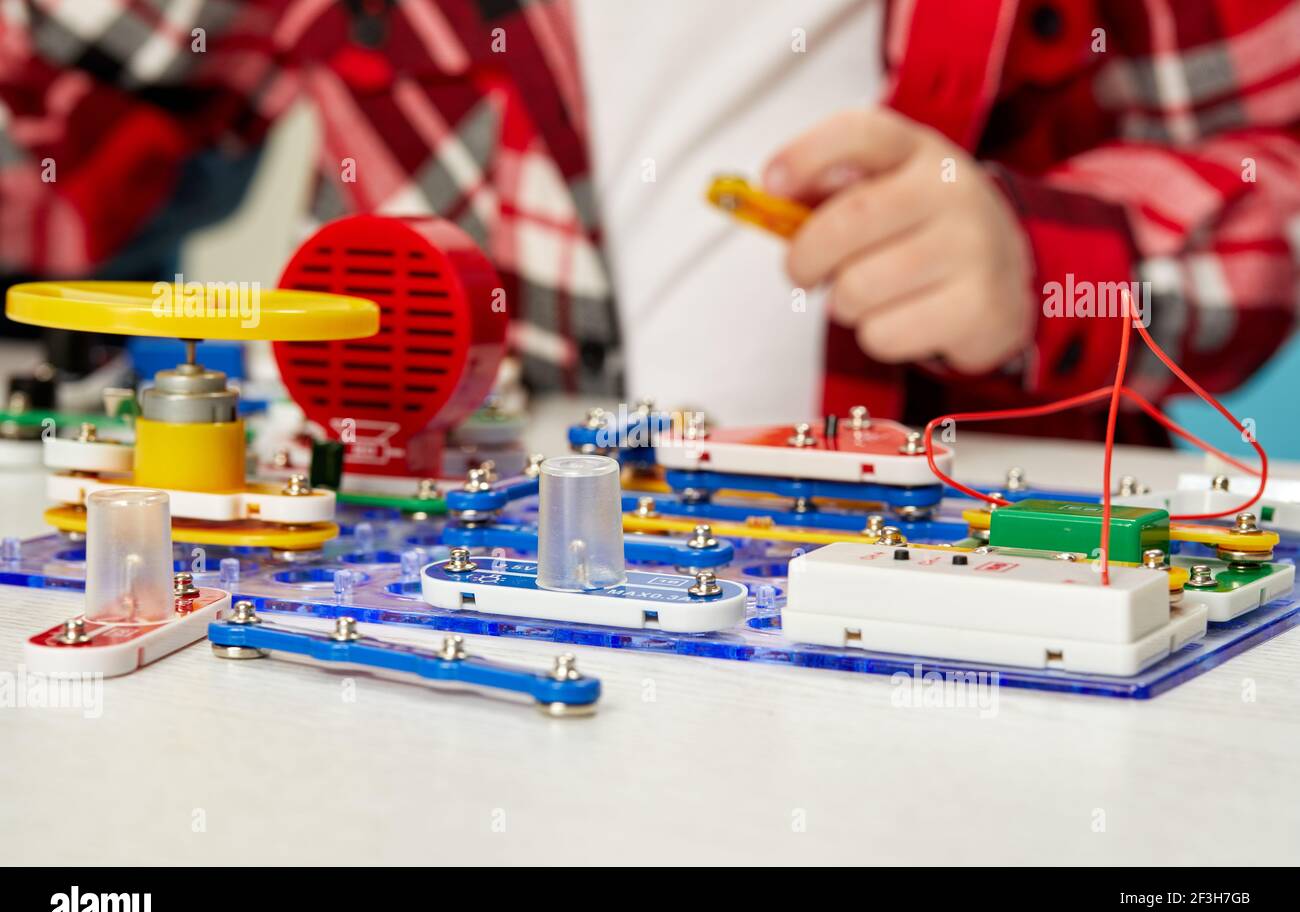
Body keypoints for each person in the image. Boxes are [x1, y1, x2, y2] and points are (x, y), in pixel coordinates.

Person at [1, 0, 1296, 442]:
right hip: (471, 623)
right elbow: (45, 136)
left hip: (942, 595)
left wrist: (1050, 265)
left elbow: (1271, 170)